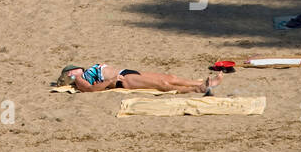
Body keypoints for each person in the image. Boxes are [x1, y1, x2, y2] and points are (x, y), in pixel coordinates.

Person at [58, 64, 222, 95]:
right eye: (71, 70)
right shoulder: (79, 79)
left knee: (169, 78)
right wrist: (110, 81)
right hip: (122, 80)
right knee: (163, 85)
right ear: (70, 74)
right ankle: (198, 89)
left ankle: (202, 83)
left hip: (125, 72)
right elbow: (91, 90)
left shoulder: (85, 72)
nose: (75, 68)